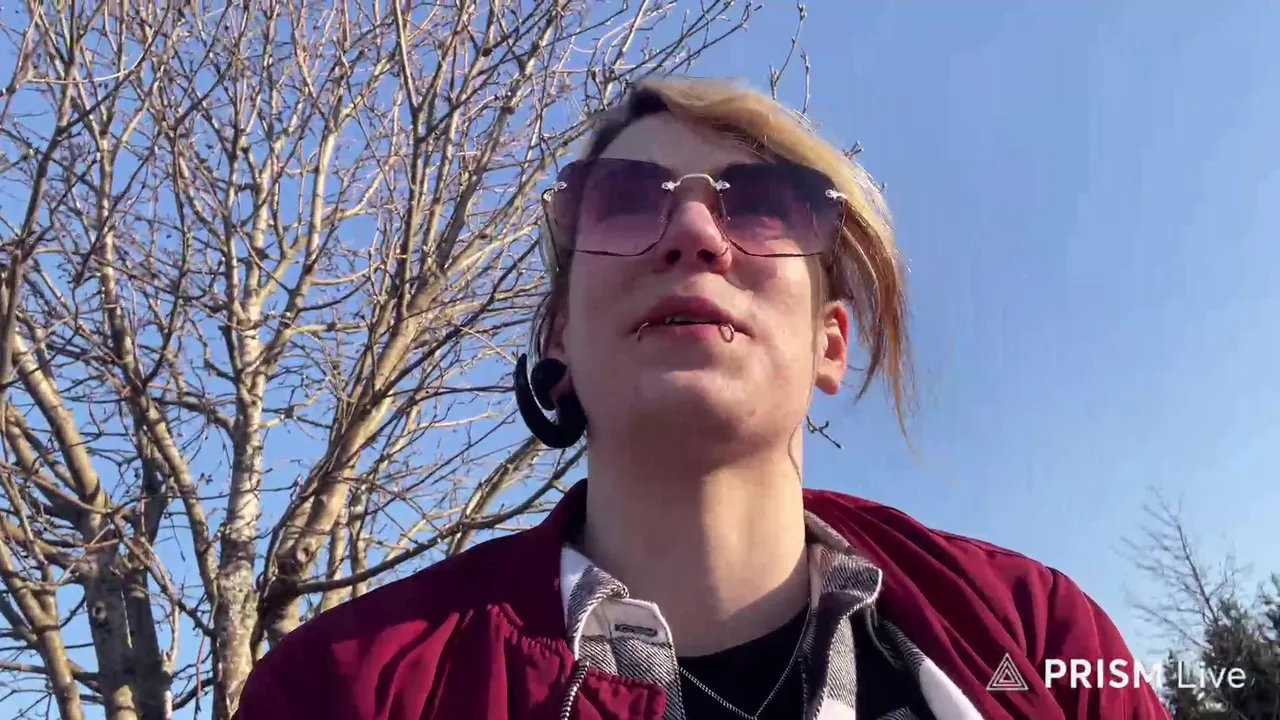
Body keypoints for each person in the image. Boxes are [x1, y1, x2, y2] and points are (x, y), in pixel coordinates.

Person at [233, 77, 1169, 720]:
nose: (692, 233)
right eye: (622, 202)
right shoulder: (337, 693)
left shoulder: (1038, 637)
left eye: (761, 205)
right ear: (558, 339)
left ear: (829, 344)